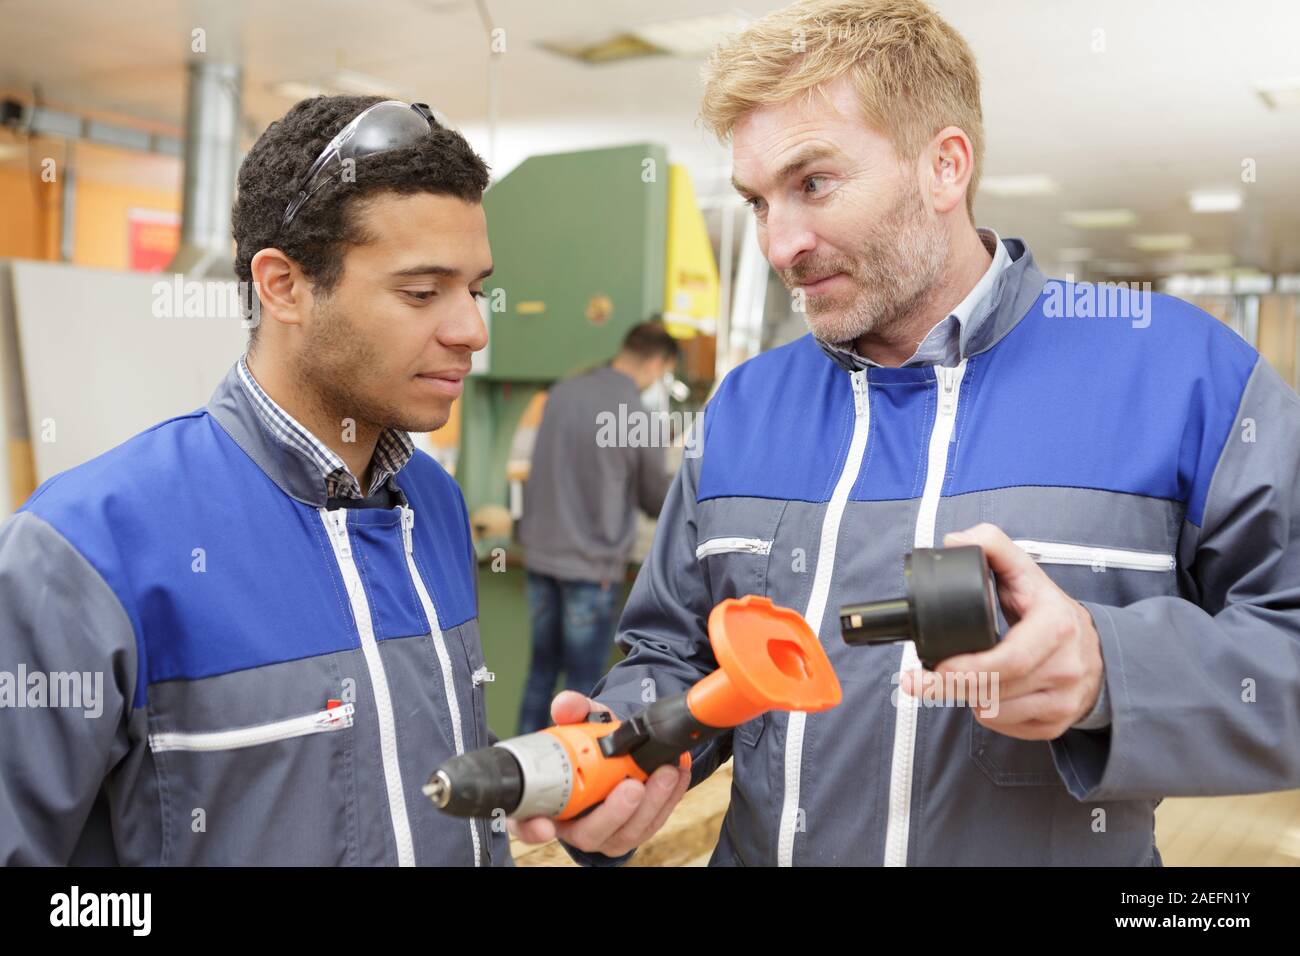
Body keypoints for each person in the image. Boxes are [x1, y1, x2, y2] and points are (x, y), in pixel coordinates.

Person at [513, 0, 1300, 866]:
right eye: (757, 201)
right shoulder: (745, 407)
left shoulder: (1184, 376)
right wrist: (633, 745)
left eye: (811, 183)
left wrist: (1111, 669)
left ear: (944, 167)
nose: (780, 243)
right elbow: (673, 650)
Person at [0, 95, 510, 866]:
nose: (471, 328)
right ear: (283, 286)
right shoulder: (83, 552)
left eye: (474, 288)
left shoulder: (431, 507)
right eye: (420, 292)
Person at [515, 321, 677, 733]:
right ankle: (571, 788)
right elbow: (656, 498)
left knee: (540, 674)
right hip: (592, 565)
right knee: (583, 690)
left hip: (540, 557)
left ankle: (520, 776)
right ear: (657, 363)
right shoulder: (637, 414)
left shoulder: (563, 392)